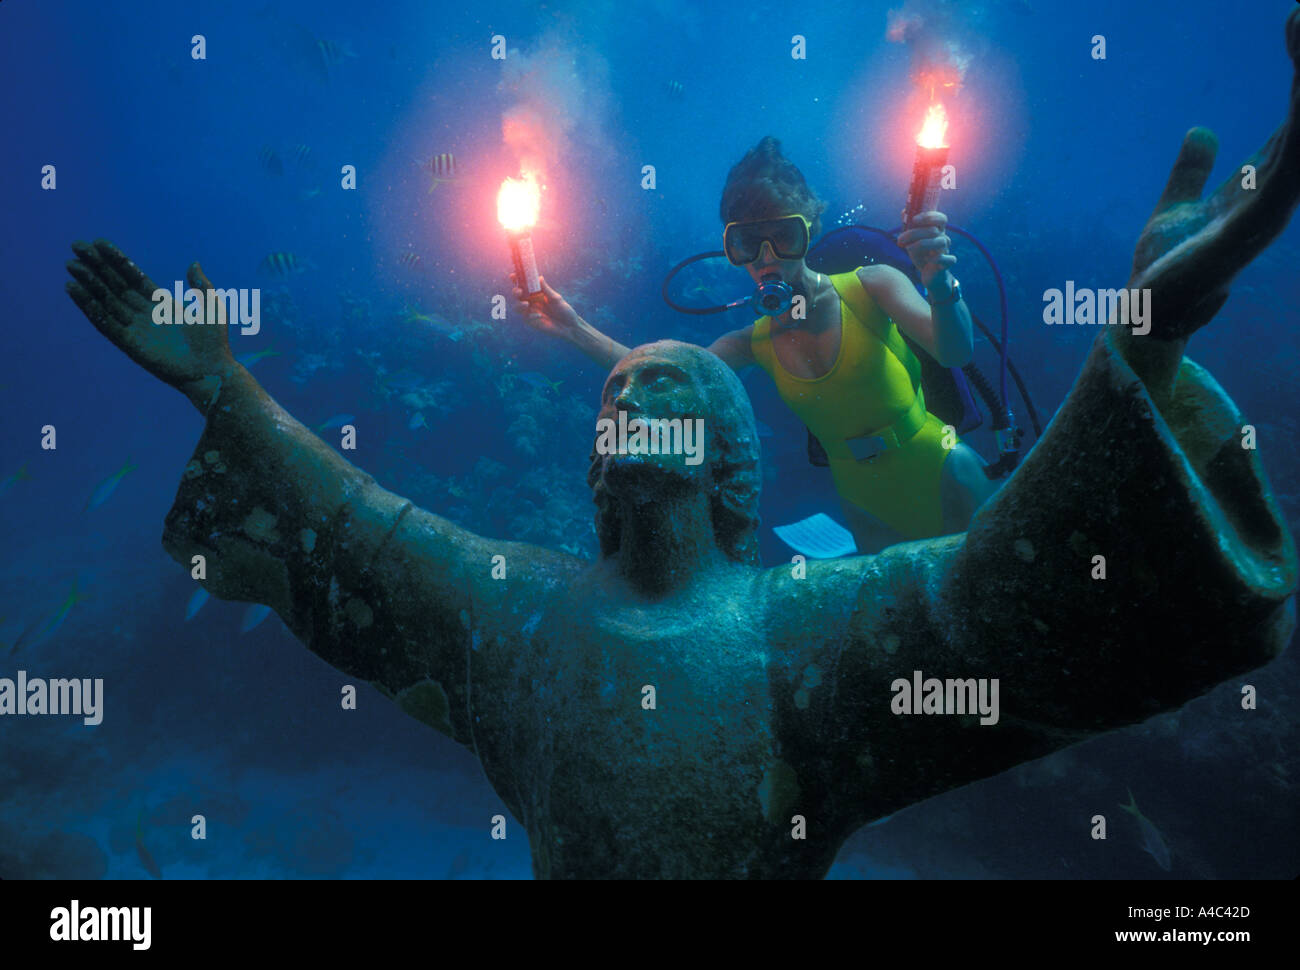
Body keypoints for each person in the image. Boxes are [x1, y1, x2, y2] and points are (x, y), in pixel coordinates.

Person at [63, 34, 1300, 874]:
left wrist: (1135, 342)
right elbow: (354, 524)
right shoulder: (519, 612)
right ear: (600, 459)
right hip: (866, 502)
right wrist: (226, 387)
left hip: (929, 473)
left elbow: (1006, 601)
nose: (643, 393)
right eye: (627, 395)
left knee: (971, 532)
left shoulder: (807, 632)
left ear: (727, 464)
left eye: (675, 391)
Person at [513, 136, 997, 554]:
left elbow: (955, 353)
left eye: (784, 237)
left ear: (810, 233)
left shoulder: (872, 285)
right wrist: (573, 327)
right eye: (747, 245)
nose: (766, 259)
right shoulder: (754, 342)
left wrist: (939, 279)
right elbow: (660, 374)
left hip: (945, 471)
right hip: (863, 504)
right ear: (731, 250)